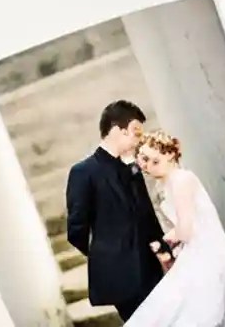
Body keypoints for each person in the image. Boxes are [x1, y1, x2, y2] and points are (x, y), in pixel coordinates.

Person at [125, 131, 225, 327]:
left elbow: (186, 229)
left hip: (204, 249)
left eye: (155, 160)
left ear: (170, 155)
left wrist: (167, 240)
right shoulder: (163, 184)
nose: (148, 165)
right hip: (194, 248)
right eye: (145, 160)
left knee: (198, 308)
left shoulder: (181, 179)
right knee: (178, 305)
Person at [65, 101, 173, 322]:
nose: (139, 140)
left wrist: (164, 251)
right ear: (117, 130)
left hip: (151, 267)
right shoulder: (83, 172)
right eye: (135, 133)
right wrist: (106, 253)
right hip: (120, 275)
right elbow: (76, 230)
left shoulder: (131, 168)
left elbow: (146, 215)